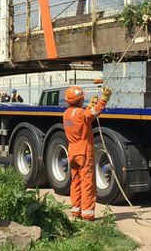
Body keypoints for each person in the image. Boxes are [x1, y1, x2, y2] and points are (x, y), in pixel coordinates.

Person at [63, 85, 112, 221]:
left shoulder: (66, 113)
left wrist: (89, 106)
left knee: (76, 181)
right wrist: (104, 99)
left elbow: (85, 116)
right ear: (80, 100)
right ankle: (88, 215)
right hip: (84, 150)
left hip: (72, 150)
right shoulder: (81, 113)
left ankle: (76, 211)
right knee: (87, 183)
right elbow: (93, 114)